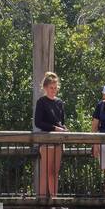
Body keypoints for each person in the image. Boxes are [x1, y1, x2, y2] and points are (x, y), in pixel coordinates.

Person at [32, 72, 67, 200]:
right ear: (45, 88)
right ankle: (41, 200)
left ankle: (55, 200)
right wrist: (55, 128)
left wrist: (63, 128)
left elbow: (62, 121)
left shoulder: (59, 102)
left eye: (55, 88)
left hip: (58, 141)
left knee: (55, 172)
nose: (53, 90)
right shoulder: (41, 102)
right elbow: (38, 122)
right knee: (46, 172)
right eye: (51, 88)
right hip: (46, 140)